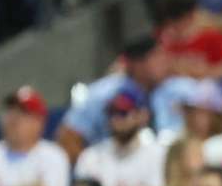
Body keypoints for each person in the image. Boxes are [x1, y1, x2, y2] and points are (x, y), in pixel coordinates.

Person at [56, 35, 193, 161]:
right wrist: (95, 170)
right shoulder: (104, 93)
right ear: (138, 65)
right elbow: (67, 137)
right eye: (156, 57)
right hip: (115, 165)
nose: (165, 62)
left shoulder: (169, 89)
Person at [74, 85, 167, 186]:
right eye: (112, 112)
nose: (116, 119)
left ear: (142, 116)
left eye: (123, 113)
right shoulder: (91, 156)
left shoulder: (159, 154)